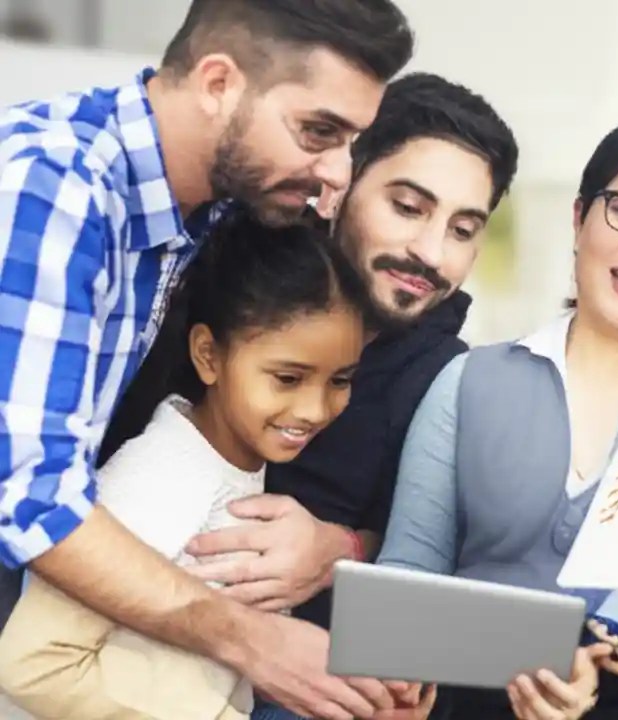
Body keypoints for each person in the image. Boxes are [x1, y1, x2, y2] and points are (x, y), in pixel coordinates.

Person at [0, 1, 416, 717]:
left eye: (352, 141)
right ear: (219, 83)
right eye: (318, 132)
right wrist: (250, 642)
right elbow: (29, 500)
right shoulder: (54, 190)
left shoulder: (221, 206)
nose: (337, 173)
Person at [378, 110, 618, 719]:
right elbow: (409, 572)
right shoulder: (470, 381)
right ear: (580, 218)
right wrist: (402, 675)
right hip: (477, 696)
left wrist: (598, 652)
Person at [0, 209, 432, 719]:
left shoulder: (241, 467)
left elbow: (194, 673)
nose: (316, 410)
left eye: (339, 380)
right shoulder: (161, 475)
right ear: (208, 355)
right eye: (288, 379)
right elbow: (29, 663)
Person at [148, 72, 519, 642]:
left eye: (463, 229)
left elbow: (433, 556)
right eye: (407, 207)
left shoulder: (448, 377)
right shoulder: (226, 269)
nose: (431, 253)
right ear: (340, 183)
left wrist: (338, 549)